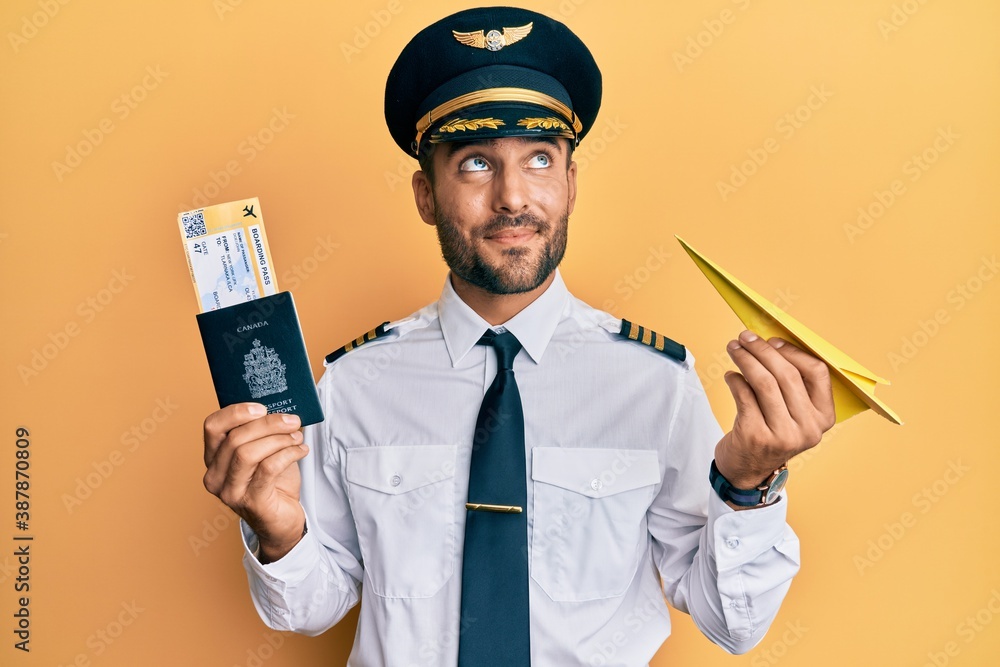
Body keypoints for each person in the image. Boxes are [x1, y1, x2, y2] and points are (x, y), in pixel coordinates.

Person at [201, 7, 835, 666]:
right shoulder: (355, 382)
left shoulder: (655, 381)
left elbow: (732, 622)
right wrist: (277, 527)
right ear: (425, 195)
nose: (512, 197)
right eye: (476, 162)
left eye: (538, 159)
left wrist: (748, 483)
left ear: (570, 183)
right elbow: (312, 606)